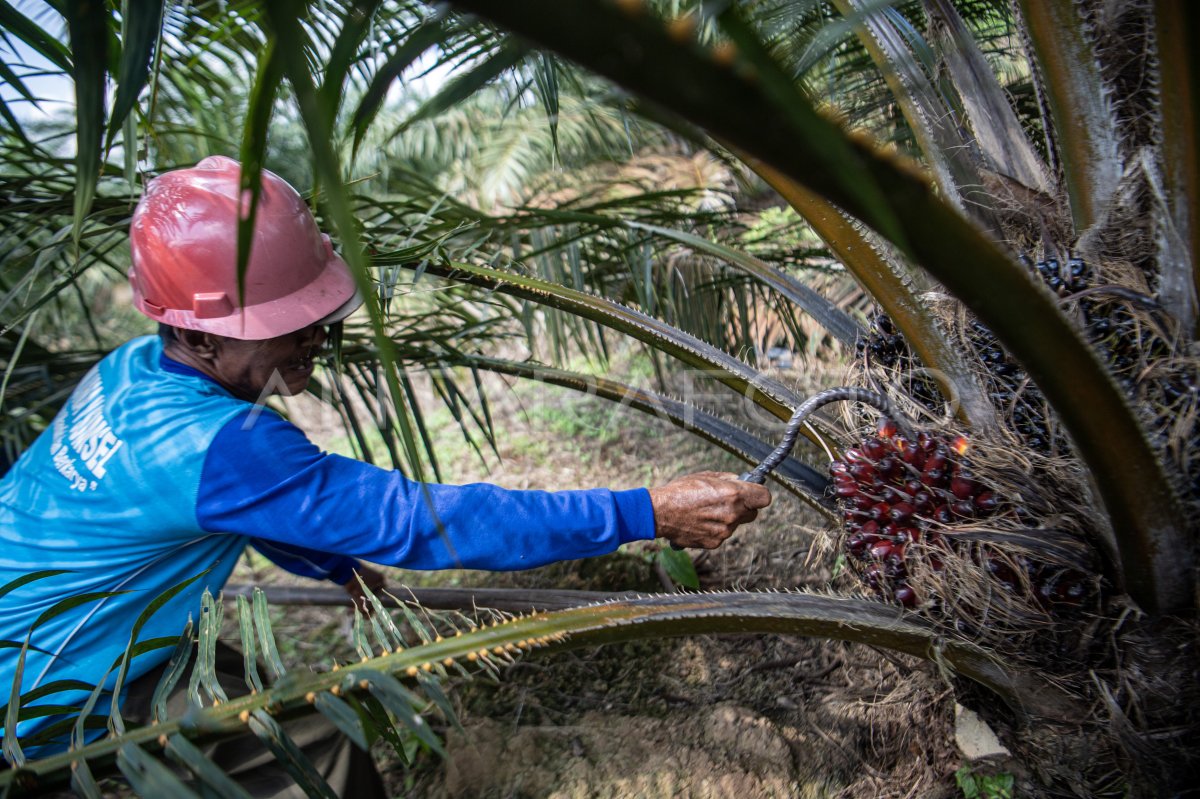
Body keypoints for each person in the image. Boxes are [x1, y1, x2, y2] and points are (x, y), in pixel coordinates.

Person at [0, 156, 771, 793]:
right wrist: (647, 510)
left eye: (317, 316)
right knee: (316, 753)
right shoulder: (220, 446)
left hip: (53, 636)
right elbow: (427, 522)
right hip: (43, 698)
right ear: (202, 337)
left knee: (238, 686)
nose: (316, 340)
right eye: (288, 325)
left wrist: (336, 561)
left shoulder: (133, 369)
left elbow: (250, 506)